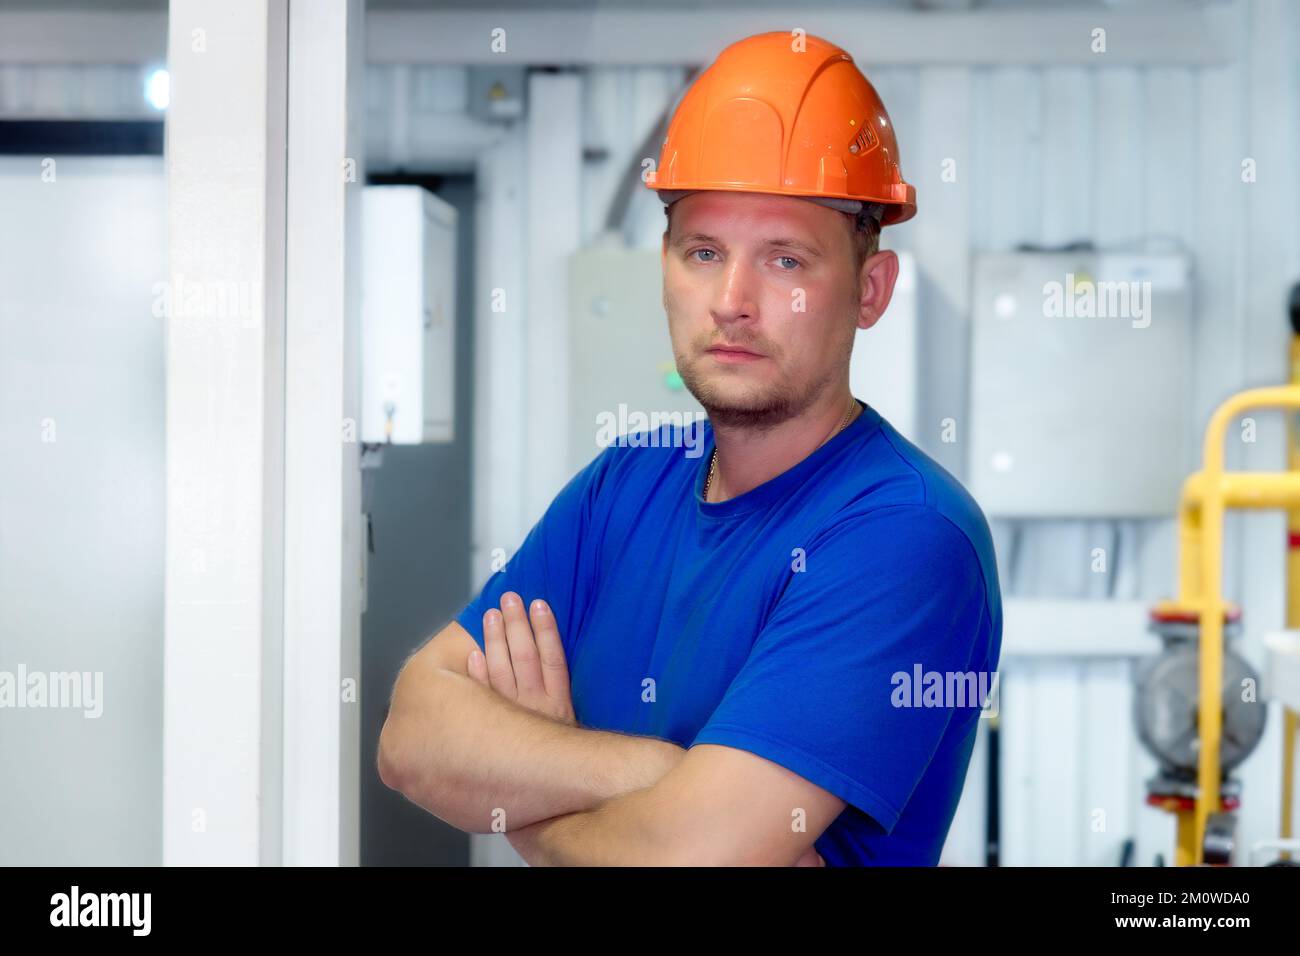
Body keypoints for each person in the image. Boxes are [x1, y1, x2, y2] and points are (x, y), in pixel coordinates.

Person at [379, 30, 1002, 867]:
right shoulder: (622, 487)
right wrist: (659, 773)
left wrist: (521, 801)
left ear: (871, 291)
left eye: (786, 260)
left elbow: (689, 862)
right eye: (703, 253)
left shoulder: (905, 536)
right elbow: (413, 735)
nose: (733, 301)